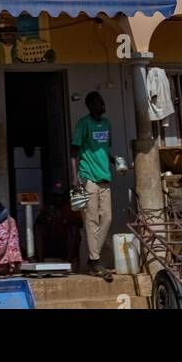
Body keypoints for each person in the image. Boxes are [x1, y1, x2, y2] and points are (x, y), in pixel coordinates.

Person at [71, 90, 114, 278]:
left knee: (107, 218)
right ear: (90, 105)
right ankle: (95, 262)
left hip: (105, 177)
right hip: (88, 177)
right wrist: (75, 177)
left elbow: (104, 150)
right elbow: (74, 151)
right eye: (99, 101)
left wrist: (115, 161)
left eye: (103, 100)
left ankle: (92, 259)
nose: (103, 104)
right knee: (91, 220)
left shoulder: (106, 123)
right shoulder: (83, 124)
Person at [34, 179, 83, 267]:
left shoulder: (71, 206)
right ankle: (40, 261)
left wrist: (65, 219)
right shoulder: (48, 207)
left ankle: (68, 262)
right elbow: (38, 222)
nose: (57, 198)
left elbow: (80, 223)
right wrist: (45, 218)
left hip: (65, 243)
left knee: (74, 230)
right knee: (38, 228)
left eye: (59, 196)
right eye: (55, 195)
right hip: (51, 242)